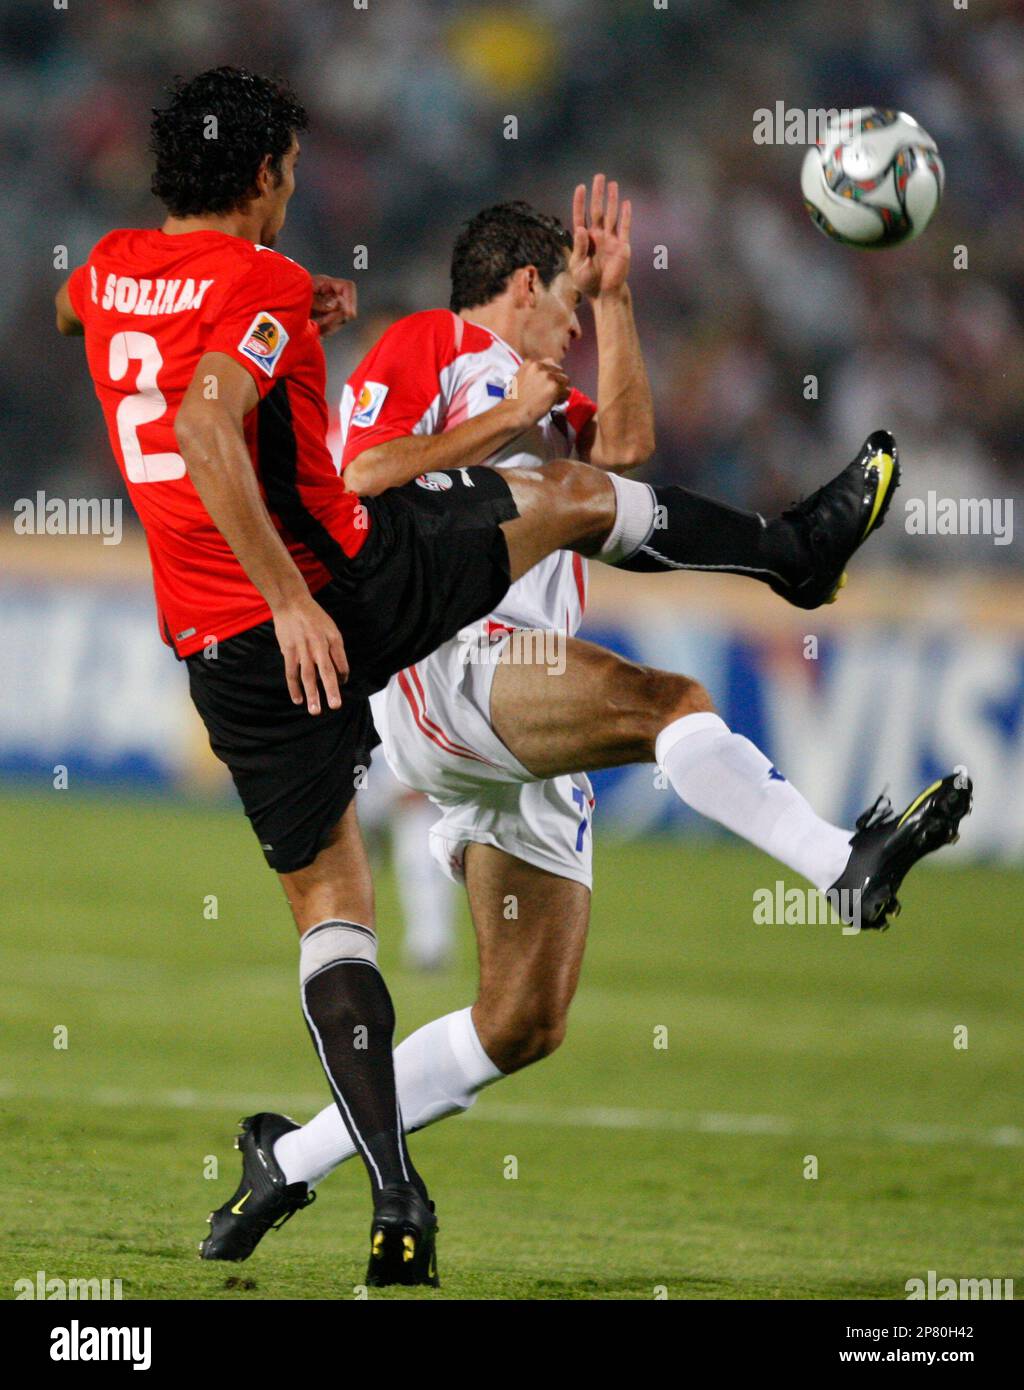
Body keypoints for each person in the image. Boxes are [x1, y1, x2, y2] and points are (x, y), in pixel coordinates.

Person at [204, 187, 972, 1250]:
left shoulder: (539, 386)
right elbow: (361, 475)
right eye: (566, 303)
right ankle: (839, 856)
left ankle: (282, 1161)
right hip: (454, 661)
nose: (570, 329)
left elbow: (621, 459)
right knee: (671, 702)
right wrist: (505, 419)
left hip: (522, 722)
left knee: (521, 1023)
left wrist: (616, 306)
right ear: (521, 287)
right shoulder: (428, 345)